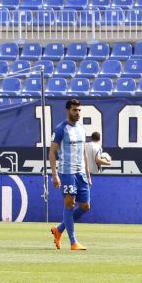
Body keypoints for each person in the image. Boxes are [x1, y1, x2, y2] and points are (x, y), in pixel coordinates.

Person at [50, 99, 90, 251]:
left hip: (80, 173)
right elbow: (52, 153)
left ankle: (59, 229)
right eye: (74, 110)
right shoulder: (61, 129)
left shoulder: (82, 129)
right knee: (70, 204)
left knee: (85, 206)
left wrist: (87, 173)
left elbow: (84, 152)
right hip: (67, 172)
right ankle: (73, 242)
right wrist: (55, 175)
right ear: (68, 111)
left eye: (79, 110)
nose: (77, 113)